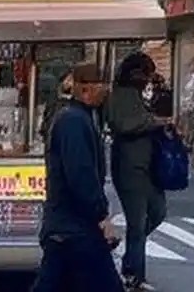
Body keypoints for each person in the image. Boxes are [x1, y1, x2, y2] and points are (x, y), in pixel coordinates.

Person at [34, 63, 123, 292]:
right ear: (86, 89)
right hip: (74, 229)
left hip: (67, 228)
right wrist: (101, 215)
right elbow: (80, 174)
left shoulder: (78, 118)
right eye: (102, 86)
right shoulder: (73, 121)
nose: (106, 92)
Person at [106, 52, 171, 291]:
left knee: (158, 211)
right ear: (135, 74)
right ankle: (134, 273)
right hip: (130, 167)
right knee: (137, 221)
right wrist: (156, 123)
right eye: (146, 74)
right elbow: (124, 124)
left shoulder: (136, 95)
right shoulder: (119, 96)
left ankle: (132, 257)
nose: (148, 79)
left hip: (148, 167)